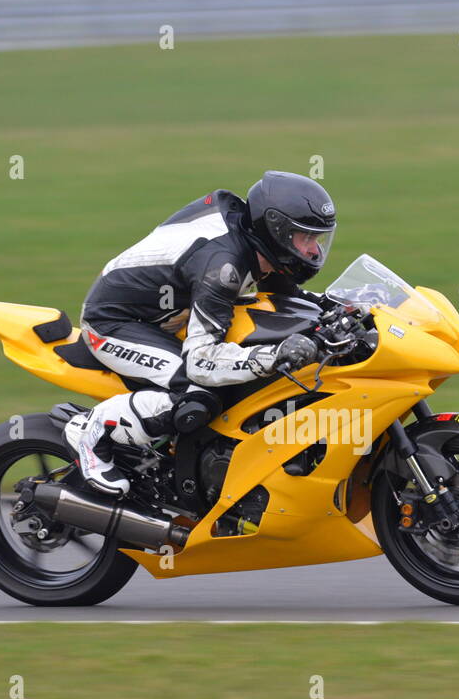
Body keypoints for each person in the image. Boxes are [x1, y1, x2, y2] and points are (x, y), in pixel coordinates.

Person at [63, 170, 337, 495]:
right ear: (275, 230)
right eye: (304, 238)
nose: (312, 251)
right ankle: (92, 430)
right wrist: (275, 356)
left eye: (317, 239)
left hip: (167, 315)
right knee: (197, 393)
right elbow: (201, 361)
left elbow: (297, 300)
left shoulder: (257, 245)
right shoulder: (223, 266)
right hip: (114, 323)